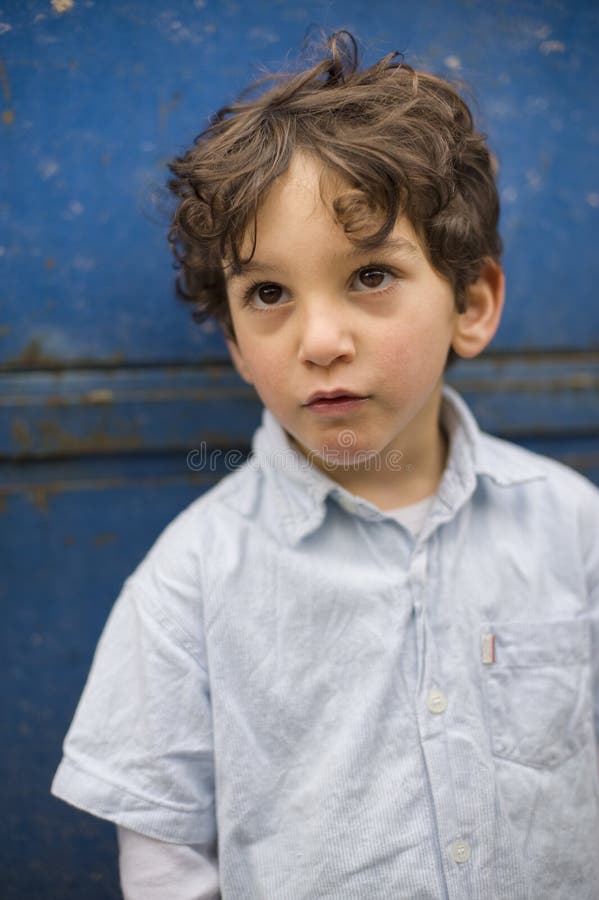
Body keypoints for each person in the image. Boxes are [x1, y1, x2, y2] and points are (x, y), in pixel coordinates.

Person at [51, 31, 599, 900]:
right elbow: (166, 868)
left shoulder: (573, 528)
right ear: (233, 342)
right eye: (267, 294)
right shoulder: (189, 583)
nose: (320, 342)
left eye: (371, 275)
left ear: (473, 304)